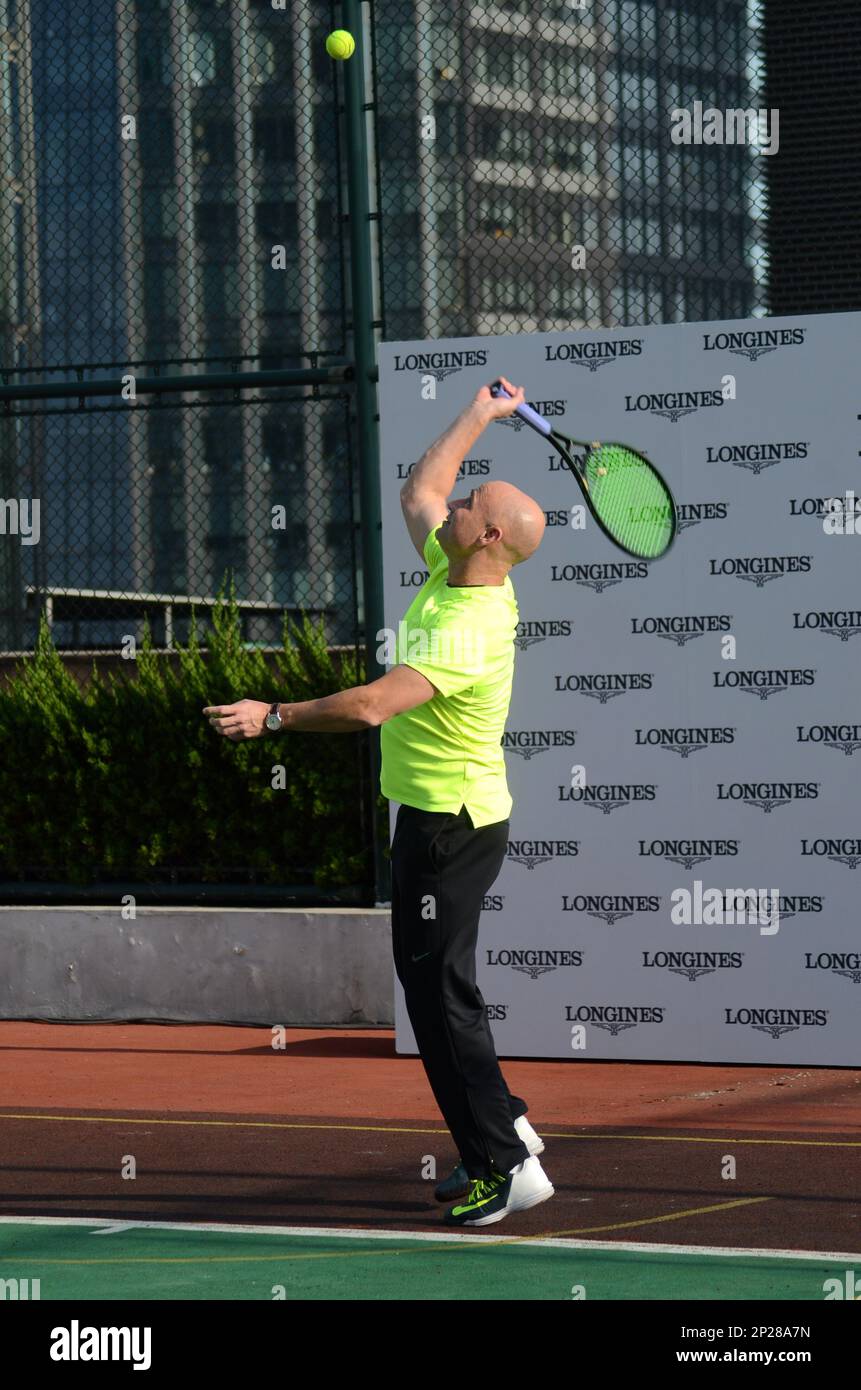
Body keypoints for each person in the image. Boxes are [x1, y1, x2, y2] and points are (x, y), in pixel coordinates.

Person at [204, 376, 553, 1226]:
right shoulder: (456, 566)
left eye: (473, 504)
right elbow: (419, 489)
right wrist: (480, 411)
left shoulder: (466, 627)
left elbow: (368, 705)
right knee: (438, 986)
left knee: (438, 996)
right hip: (444, 819)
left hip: (449, 829)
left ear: (491, 537)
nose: (457, 504)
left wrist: (274, 715)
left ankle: (499, 1166)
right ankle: (503, 1129)